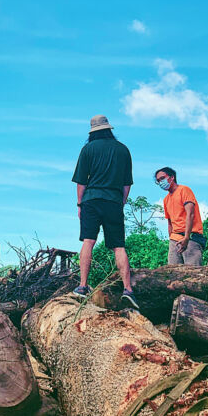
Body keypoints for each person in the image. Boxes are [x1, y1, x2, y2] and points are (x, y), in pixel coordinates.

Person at [71, 114, 139, 309]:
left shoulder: (88, 149)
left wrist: (79, 204)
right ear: (109, 129)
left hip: (91, 200)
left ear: (92, 132)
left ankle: (83, 286)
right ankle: (128, 289)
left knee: (88, 241)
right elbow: (127, 184)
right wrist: (120, 203)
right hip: (114, 201)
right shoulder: (123, 150)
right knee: (118, 246)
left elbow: (81, 181)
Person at [155, 166, 206, 265]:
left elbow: (190, 214)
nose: (161, 182)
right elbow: (170, 222)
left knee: (194, 274)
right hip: (174, 240)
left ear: (172, 177)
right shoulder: (166, 200)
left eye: (162, 178)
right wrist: (171, 240)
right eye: (158, 181)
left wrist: (186, 237)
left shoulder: (184, 190)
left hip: (191, 238)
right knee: (173, 274)